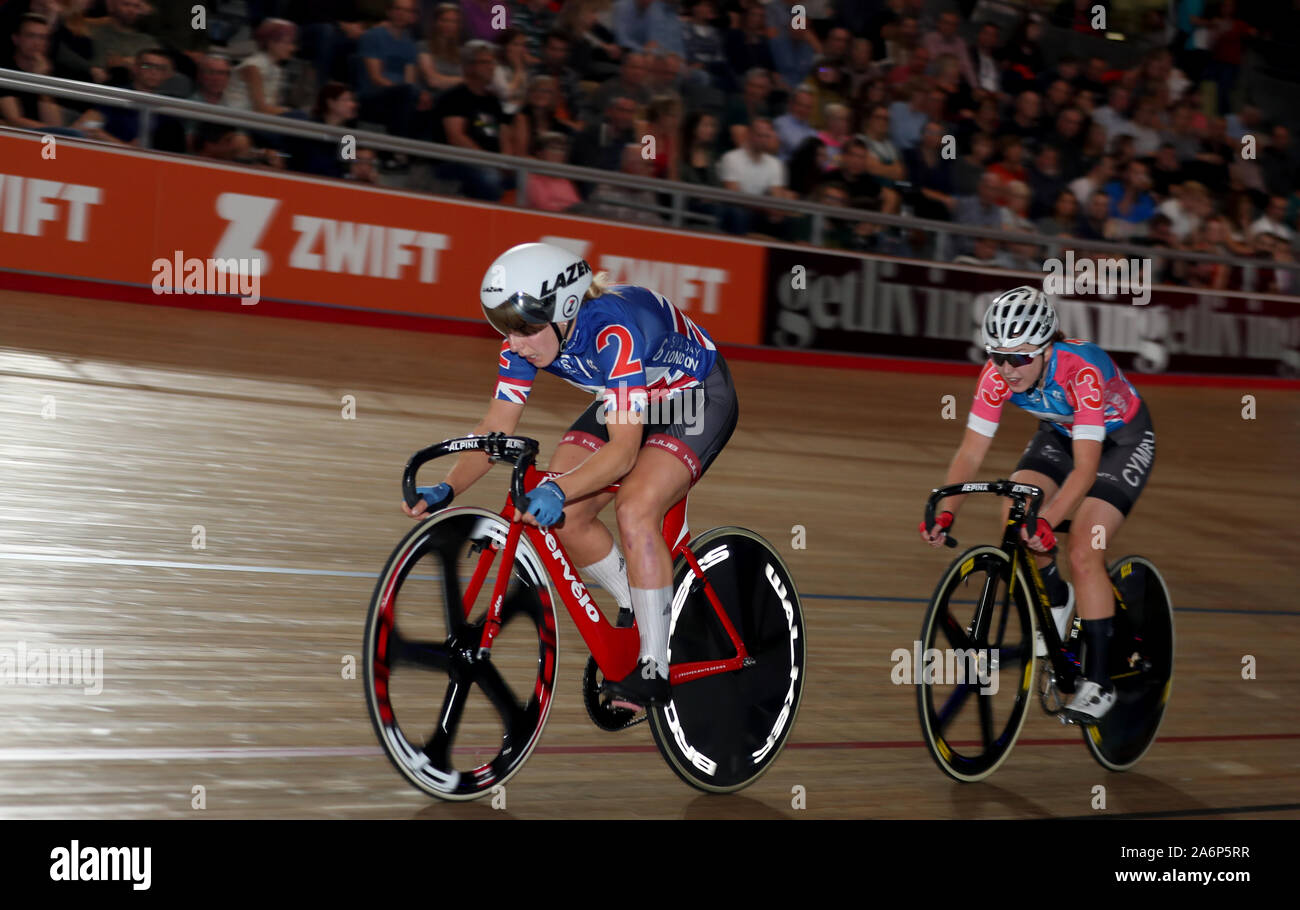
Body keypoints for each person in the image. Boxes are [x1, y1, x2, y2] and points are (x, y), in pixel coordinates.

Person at [405, 243, 738, 710]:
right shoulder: (527, 341)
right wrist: (447, 488)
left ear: (565, 311)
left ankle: (654, 668)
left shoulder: (613, 334)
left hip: (694, 399)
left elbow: (623, 453)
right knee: (567, 516)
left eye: (523, 328)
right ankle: (638, 601)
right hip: (628, 395)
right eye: (504, 327)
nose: (514, 341)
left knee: (636, 506)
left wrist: (557, 487)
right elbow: (496, 432)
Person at [920, 287, 1156, 724]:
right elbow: (971, 453)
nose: (1008, 369)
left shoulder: (1081, 372)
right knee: (1016, 508)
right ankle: (1056, 597)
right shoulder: (995, 375)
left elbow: (1085, 471)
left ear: (1047, 350)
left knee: (1085, 547)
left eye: (1021, 358)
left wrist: (1047, 519)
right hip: (1061, 432)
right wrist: (947, 506)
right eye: (998, 356)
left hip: (1121, 440)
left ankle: (1100, 683)